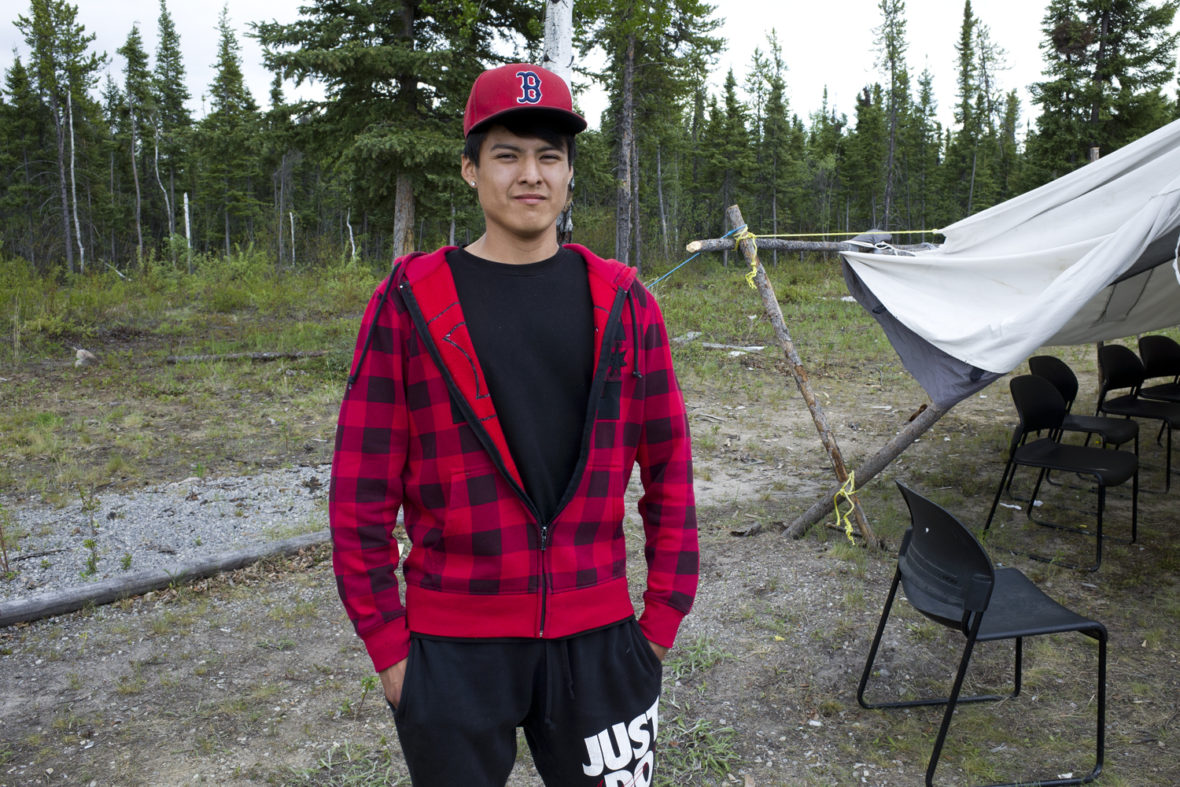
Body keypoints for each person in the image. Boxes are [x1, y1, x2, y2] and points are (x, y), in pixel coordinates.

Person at [329, 62, 698, 787]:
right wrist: (391, 651)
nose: (530, 174)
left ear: (569, 174)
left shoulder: (626, 305)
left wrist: (659, 625)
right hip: (452, 649)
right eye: (507, 154)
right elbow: (359, 491)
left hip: (599, 640)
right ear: (470, 169)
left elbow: (671, 473)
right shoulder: (408, 303)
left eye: (549, 156)